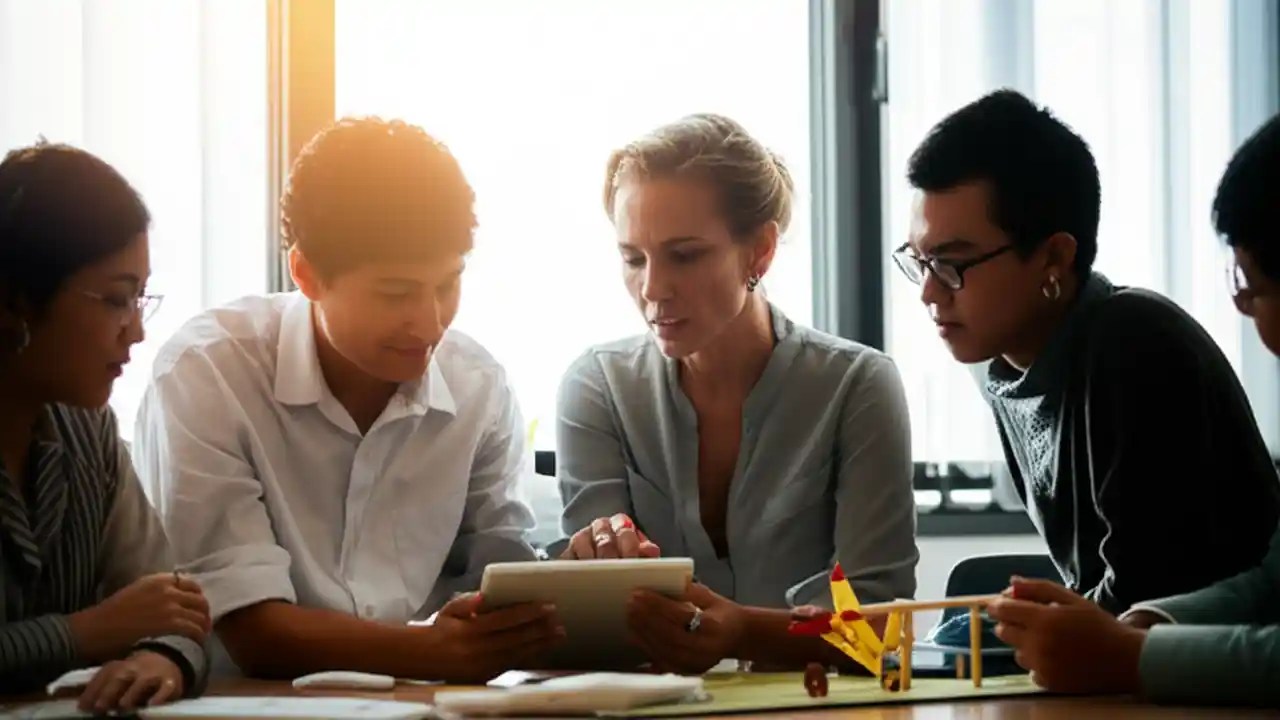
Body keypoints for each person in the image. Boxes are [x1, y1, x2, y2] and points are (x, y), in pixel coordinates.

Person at [134, 118, 561, 683]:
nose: (430, 323)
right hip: (249, 709)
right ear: (306, 273)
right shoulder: (209, 372)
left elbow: (503, 581)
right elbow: (251, 631)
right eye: (396, 293)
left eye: (447, 285)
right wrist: (431, 653)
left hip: (425, 704)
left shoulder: (477, 386)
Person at [894, 89, 1280, 615]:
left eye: (952, 263)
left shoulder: (1135, 343)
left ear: (1053, 257)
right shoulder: (1003, 365)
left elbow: (1146, 590)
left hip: (1209, 672)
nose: (929, 291)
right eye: (920, 261)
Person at [556, 113, 918, 673]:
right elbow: (601, 604)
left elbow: (882, 621)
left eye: (685, 254)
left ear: (760, 252)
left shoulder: (857, 386)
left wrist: (744, 632)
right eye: (633, 258)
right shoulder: (597, 388)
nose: (652, 288)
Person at [986, 111, 1280, 707]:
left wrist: (1129, 653)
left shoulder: (1131, 335)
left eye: (1254, 285)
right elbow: (1272, 585)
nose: (1247, 312)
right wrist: (1145, 625)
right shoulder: (1006, 369)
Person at [0, 143, 209, 710]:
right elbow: (124, 614)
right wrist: (87, 633)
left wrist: (159, 657)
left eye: (141, 299)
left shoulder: (89, 434)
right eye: (117, 300)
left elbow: (171, 609)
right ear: (14, 300)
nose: (136, 332)